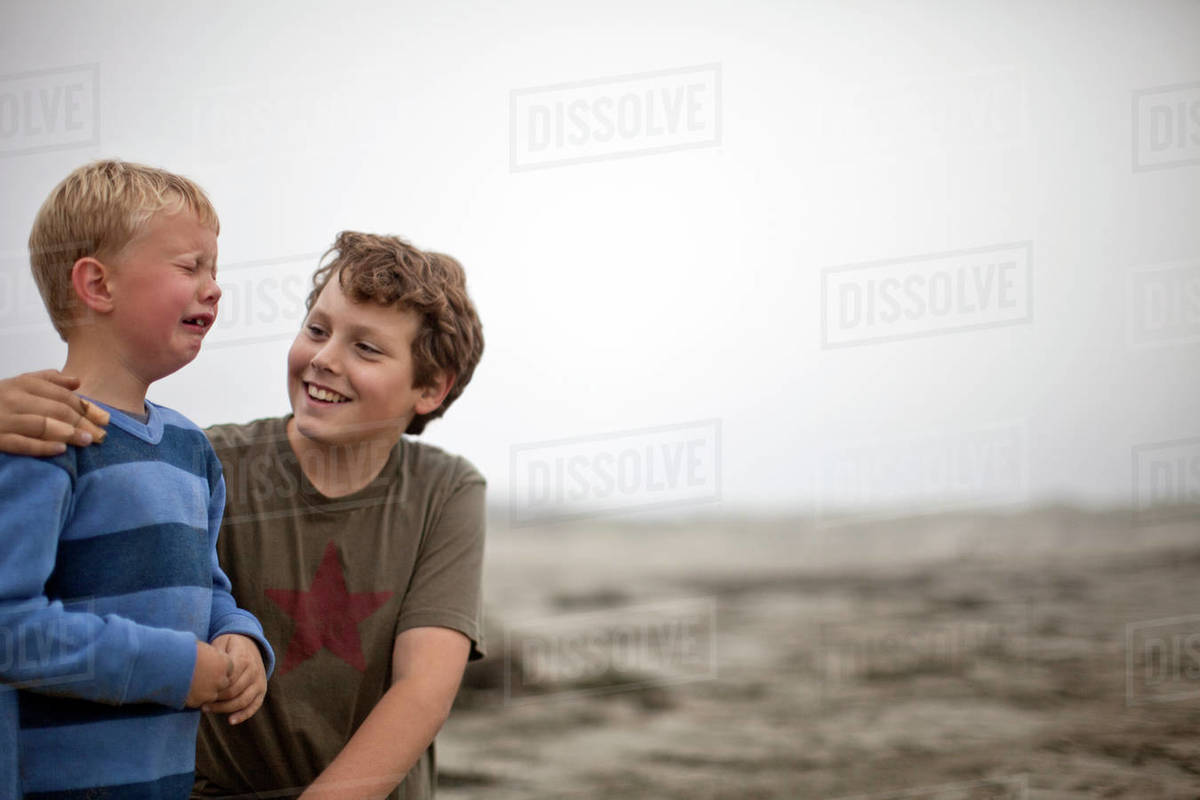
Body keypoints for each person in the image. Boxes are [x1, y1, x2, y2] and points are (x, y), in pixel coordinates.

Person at [0, 230, 487, 799]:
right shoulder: (202, 462)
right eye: (317, 330)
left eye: (367, 348)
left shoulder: (446, 490)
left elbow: (421, 690)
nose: (326, 359)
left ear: (430, 388)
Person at [0, 160, 274, 798]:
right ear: (97, 284)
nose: (214, 288)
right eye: (190, 267)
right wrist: (178, 669)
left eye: (216, 269)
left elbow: (208, 589)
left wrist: (240, 639)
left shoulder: (190, 447)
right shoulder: (40, 435)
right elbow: (10, 631)